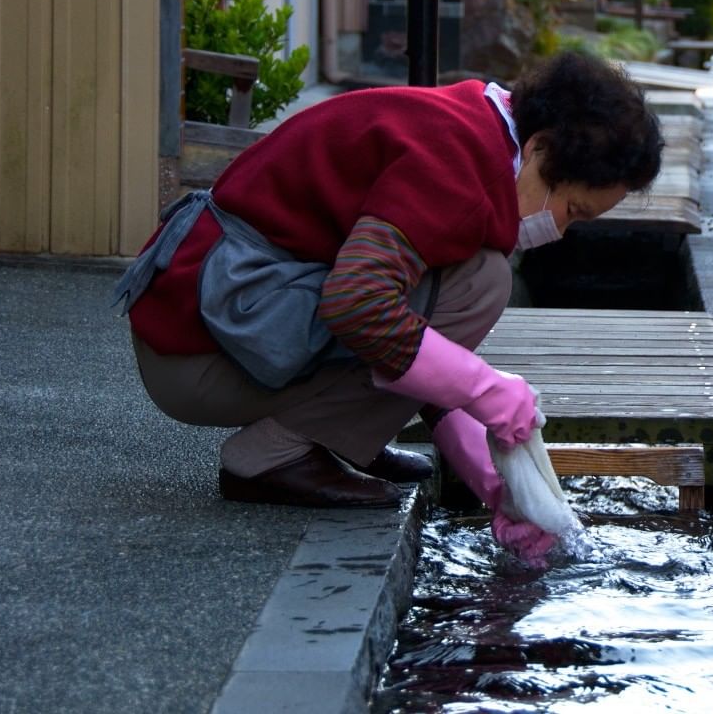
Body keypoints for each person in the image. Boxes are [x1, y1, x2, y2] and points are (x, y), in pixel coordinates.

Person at [115, 50, 663, 563]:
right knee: (482, 282)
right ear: (542, 149)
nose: (561, 230)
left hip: (225, 319)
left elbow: (413, 329)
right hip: (199, 348)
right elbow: (359, 304)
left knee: (465, 279)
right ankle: (272, 455)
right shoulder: (456, 164)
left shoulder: (477, 129)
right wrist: (484, 388)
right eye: (572, 210)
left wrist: (495, 485)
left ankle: (339, 437)